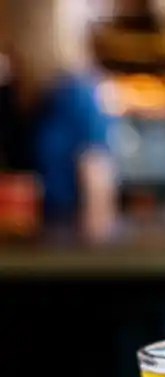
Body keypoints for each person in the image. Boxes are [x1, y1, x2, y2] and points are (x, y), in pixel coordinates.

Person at [0, 0, 116, 237]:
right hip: (17, 238)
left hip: (66, 243)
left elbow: (98, 188)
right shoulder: (9, 94)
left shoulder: (77, 95)